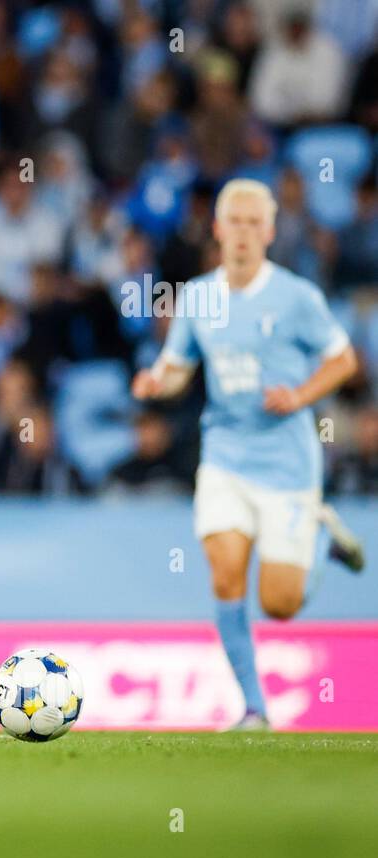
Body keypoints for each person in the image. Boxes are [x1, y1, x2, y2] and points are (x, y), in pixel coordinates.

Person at [132, 178, 364, 731]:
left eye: (252, 222)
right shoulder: (198, 297)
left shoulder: (295, 298)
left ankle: (323, 538)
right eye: (232, 221)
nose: (241, 232)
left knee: (280, 603)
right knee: (225, 573)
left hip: (287, 463)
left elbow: (343, 360)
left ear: (269, 230)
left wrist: (300, 396)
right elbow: (178, 367)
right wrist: (155, 384)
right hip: (226, 456)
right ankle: (254, 708)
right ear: (217, 229)